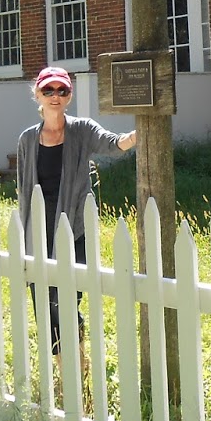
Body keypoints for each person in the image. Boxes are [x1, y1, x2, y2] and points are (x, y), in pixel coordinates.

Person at [16, 65, 136, 361]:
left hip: (73, 224)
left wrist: (136, 135)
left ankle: (78, 363)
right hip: (39, 227)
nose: (55, 96)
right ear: (38, 95)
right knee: (43, 301)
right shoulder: (27, 140)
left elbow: (113, 144)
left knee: (68, 298)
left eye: (62, 90)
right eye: (48, 90)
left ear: (69, 96)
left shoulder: (82, 130)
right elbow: (22, 190)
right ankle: (60, 369)